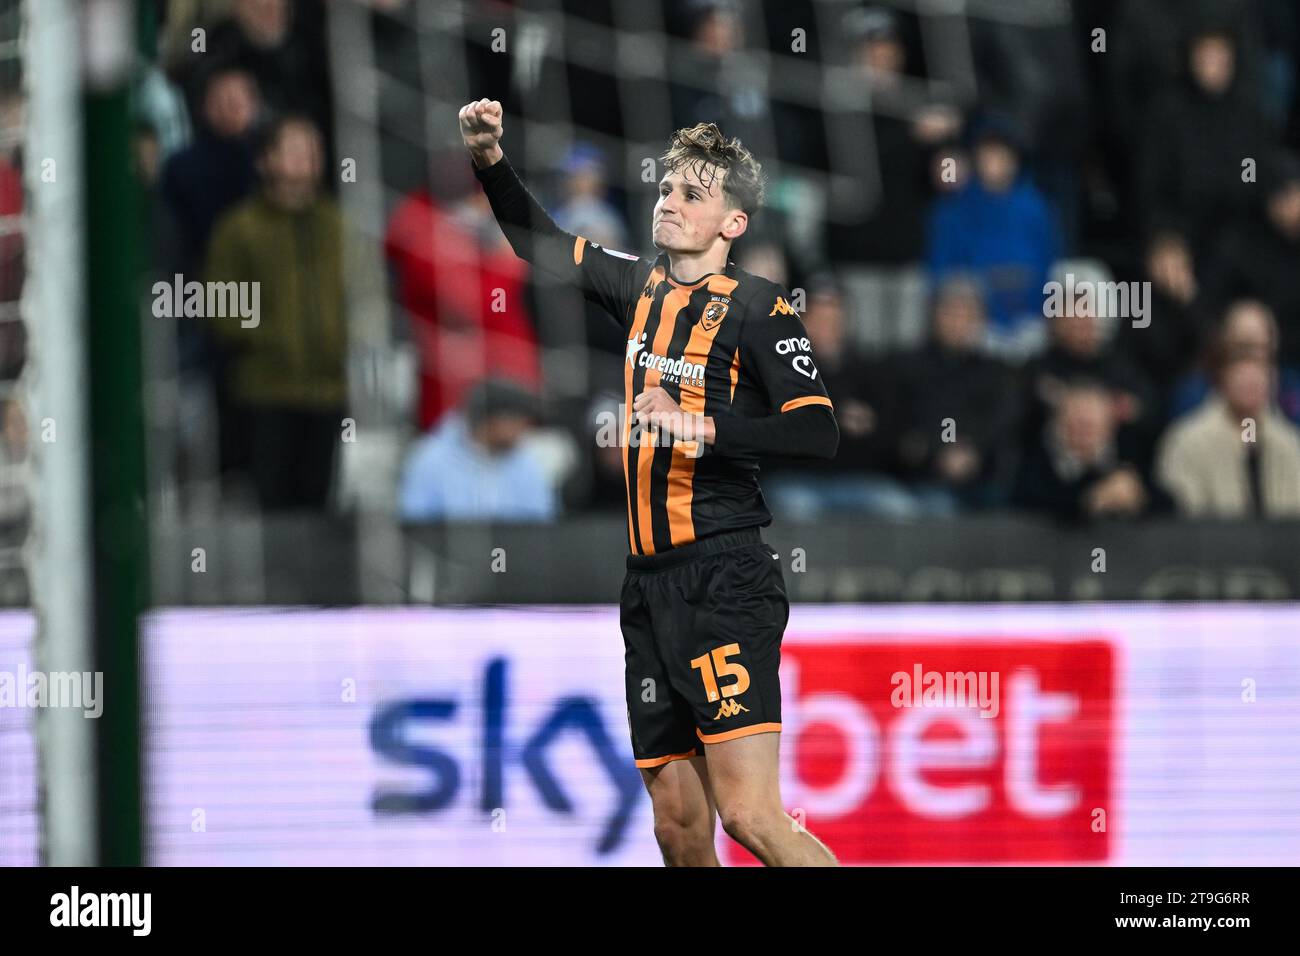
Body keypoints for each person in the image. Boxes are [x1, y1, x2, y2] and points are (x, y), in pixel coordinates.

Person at [460, 98, 839, 866]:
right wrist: (489, 159)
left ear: (732, 223)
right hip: (647, 586)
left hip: (724, 577)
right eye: (666, 190)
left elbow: (817, 429)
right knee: (677, 823)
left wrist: (703, 426)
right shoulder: (638, 289)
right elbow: (541, 242)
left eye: (692, 194)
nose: (669, 202)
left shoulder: (762, 310)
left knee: (750, 816)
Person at [205, 114, 347, 510]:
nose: (305, 160)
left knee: (321, 507)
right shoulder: (239, 228)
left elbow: (359, 295)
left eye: (312, 150)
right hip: (265, 393)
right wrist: (271, 338)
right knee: (271, 508)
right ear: (265, 160)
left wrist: (339, 342)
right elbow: (223, 309)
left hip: (327, 392)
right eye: (294, 150)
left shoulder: (336, 224)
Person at [1156, 355, 1300, 517]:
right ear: (1223, 382)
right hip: (1207, 538)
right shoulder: (1187, 440)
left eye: (1258, 380)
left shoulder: (1289, 442)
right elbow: (1182, 506)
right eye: (1243, 380)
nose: (1251, 384)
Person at [399, 379, 557, 522]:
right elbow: (415, 523)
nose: (524, 431)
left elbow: (541, 523)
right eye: (519, 423)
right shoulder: (429, 460)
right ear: (494, 421)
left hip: (510, 553)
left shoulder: (526, 464)